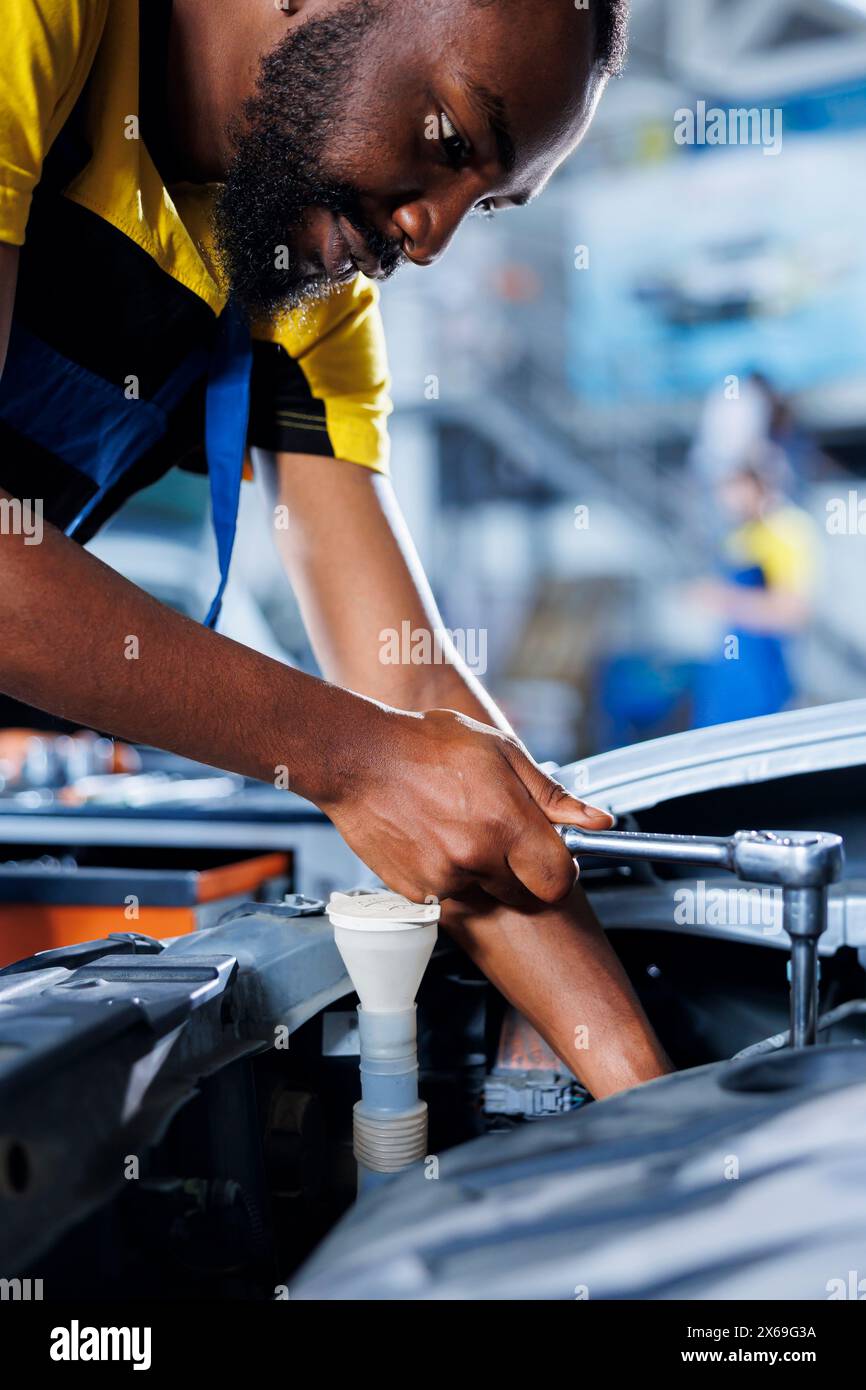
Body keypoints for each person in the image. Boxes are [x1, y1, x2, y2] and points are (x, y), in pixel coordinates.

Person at [0, 0, 670, 1095]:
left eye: (483, 204)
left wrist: (647, 1101)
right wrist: (350, 758)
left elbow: (409, 692)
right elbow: (381, 750)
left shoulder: (292, 280)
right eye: (454, 137)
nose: (433, 235)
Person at [690, 449, 819, 728]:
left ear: (758, 485)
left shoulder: (785, 532)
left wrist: (724, 599)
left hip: (764, 677)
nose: (727, 499)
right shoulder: (741, 535)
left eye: (735, 488)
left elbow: (792, 614)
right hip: (732, 678)